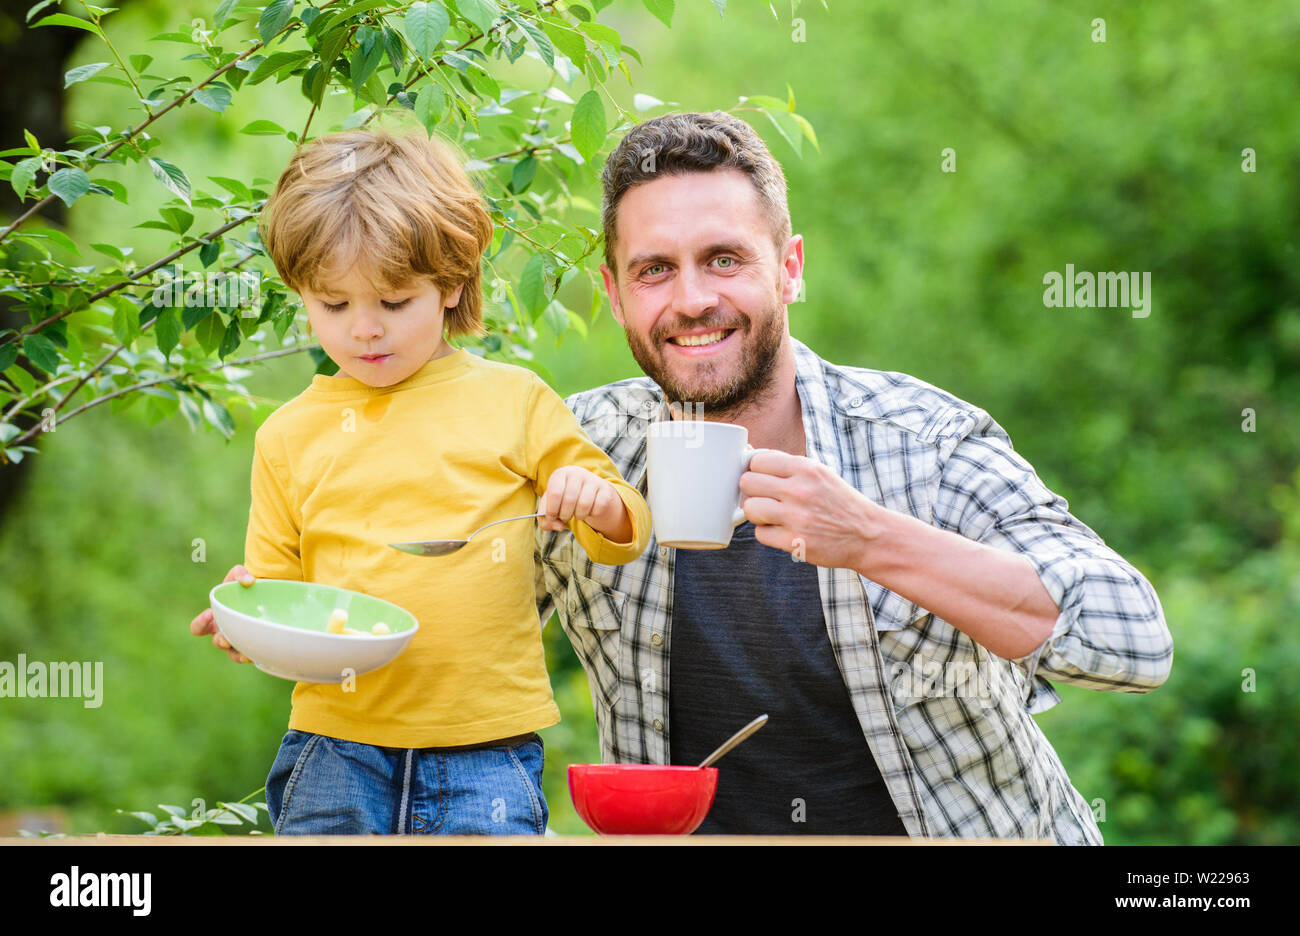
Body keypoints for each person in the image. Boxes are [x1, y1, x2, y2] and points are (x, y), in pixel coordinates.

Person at [533, 111, 1173, 842]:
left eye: (724, 259)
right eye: (655, 270)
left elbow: (1134, 643)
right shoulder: (579, 449)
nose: (690, 301)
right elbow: (441, 631)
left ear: (790, 268)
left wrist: (870, 539)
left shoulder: (920, 441)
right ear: (615, 295)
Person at [188, 128, 651, 835]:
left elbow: (624, 530)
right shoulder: (288, 435)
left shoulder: (515, 400)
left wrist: (597, 501)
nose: (364, 330)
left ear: (453, 283)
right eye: (333, 306)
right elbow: (282, 594)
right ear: (300, 293)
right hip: (335, 740)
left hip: (486, 750)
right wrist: (247, 623)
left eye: (394, 302)